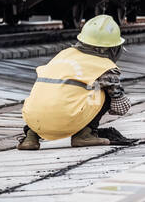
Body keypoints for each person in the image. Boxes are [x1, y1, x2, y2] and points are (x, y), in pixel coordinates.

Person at [18, 14, 136, 150]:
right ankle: (85, 134)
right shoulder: (104, 67)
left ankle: (30, 137)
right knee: (102, 90)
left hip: (33, 119)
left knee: (48, 91)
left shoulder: (64, 54)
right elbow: (120, 107)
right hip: (66, 119)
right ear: (113, 48)